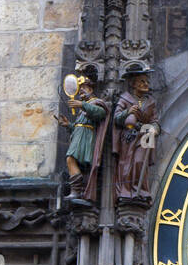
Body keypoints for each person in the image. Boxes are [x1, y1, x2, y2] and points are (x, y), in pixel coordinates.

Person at [59, 74, 109, 203]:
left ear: (91, 89)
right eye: (79, 90)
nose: (81, 92)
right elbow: (78, 127)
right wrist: (68, 125)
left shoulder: (96, 102)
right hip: (79, 137)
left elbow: (100, 113)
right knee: (72, 160)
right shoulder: (84, 107)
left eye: (83, 89)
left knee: (70, 158)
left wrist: (82, 105)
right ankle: (78, 190)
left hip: (86, 139)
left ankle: (77, 190)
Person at [113, 68, 160, 203]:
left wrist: (154, 129)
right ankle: (126, 191)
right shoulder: (125, 99)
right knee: (127, 162)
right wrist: (128, 112)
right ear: (133, 84)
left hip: (146, 134)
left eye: (147, 82)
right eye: (142, 81)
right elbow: (116, 118)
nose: (146, 84)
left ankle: (140, 190)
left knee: (140, 162)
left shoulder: (150, 102)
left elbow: (155, 121)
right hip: (130, 134)